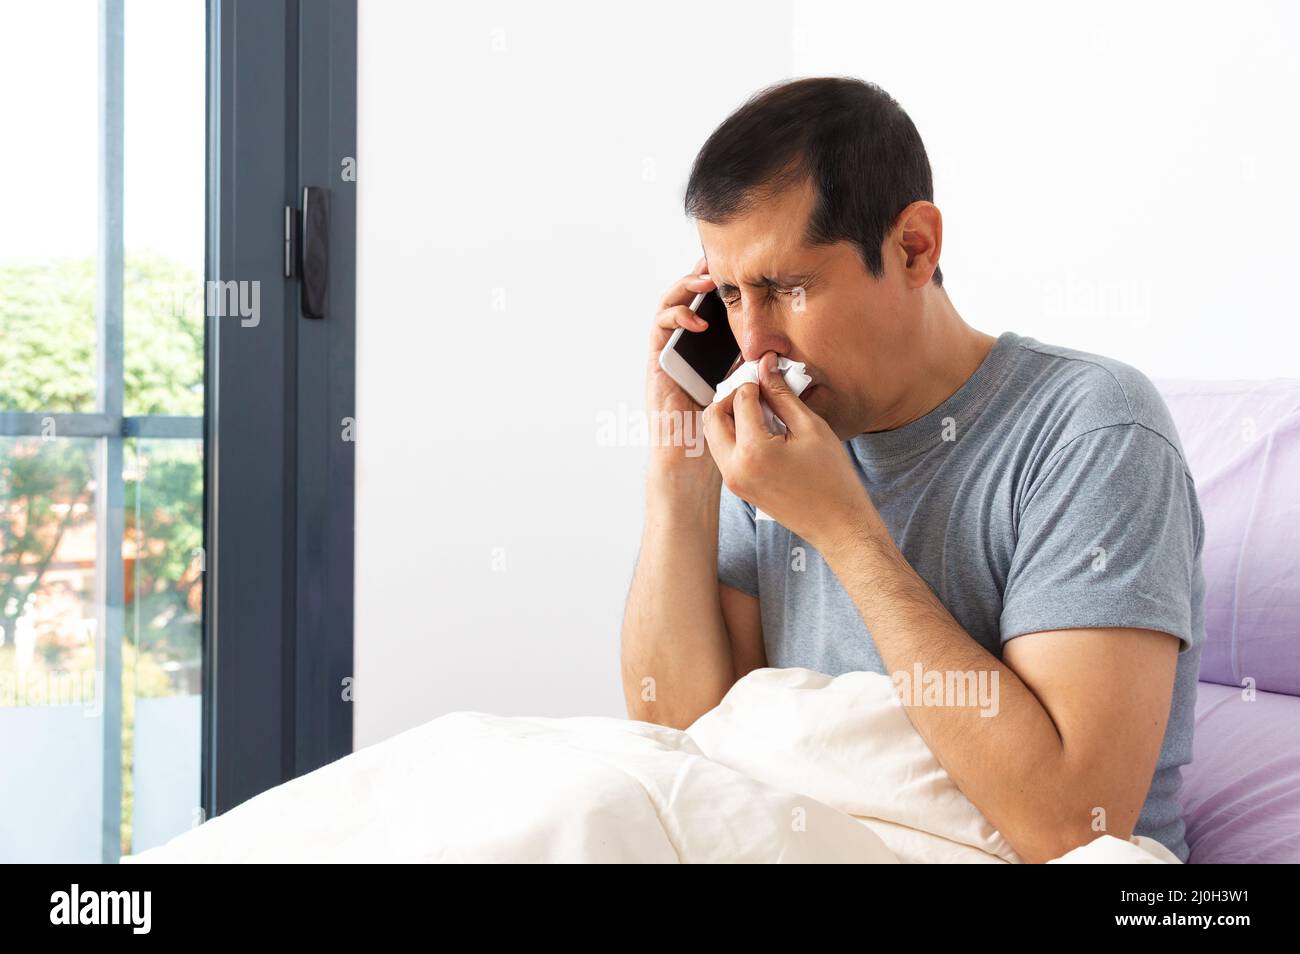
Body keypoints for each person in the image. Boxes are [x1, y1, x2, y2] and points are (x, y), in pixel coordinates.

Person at [619, 76, 1206, 864]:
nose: (753, 344)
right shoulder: (761, 446)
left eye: (786, 287)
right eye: (728, 294)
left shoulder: (1093, 426)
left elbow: (1075, 825)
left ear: (913, 248)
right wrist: (679, 474)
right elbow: (675, 733)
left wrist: (844, 530)